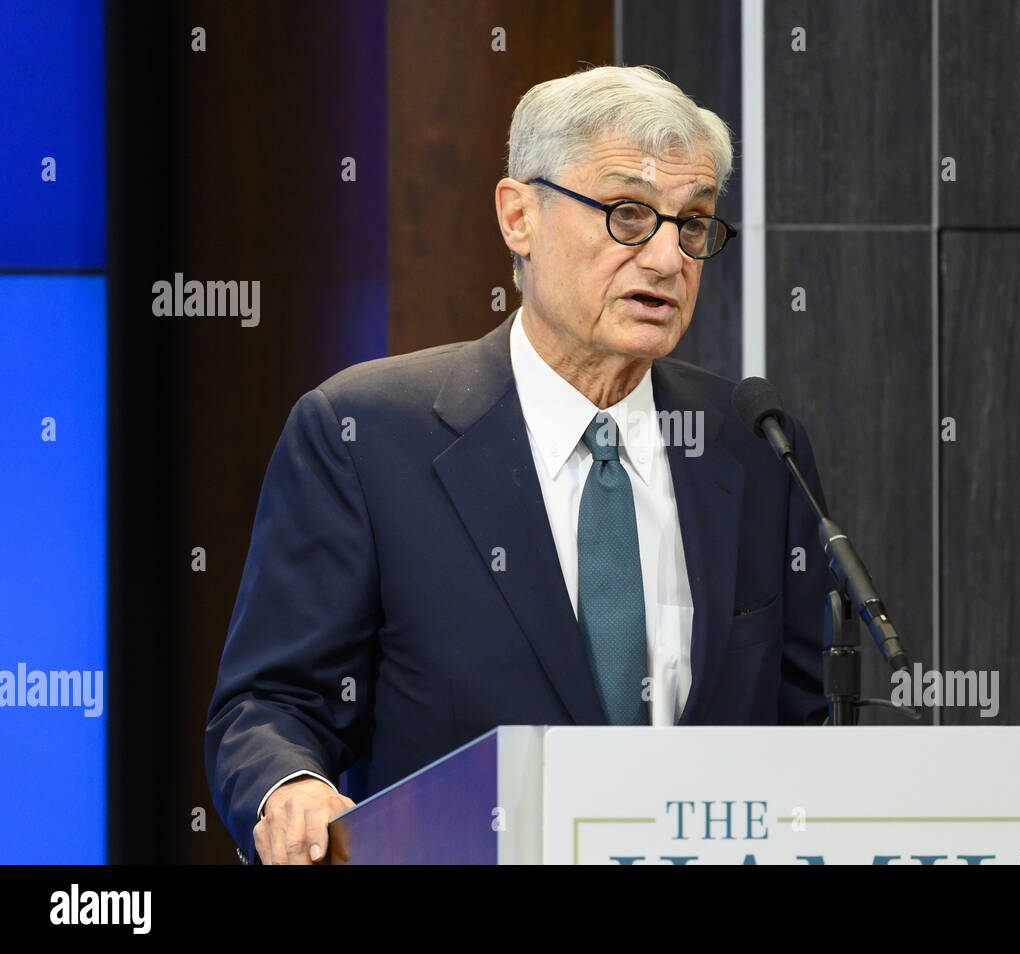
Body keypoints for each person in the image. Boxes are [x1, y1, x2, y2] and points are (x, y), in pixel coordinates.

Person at [205, 65, 833, 865]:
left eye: (694, 223)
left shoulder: (753, 443)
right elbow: (270, 701)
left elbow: (809, 726)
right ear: (519, 215)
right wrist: (288, 783)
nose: (670, 258)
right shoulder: (364, 435)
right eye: (629, 215)